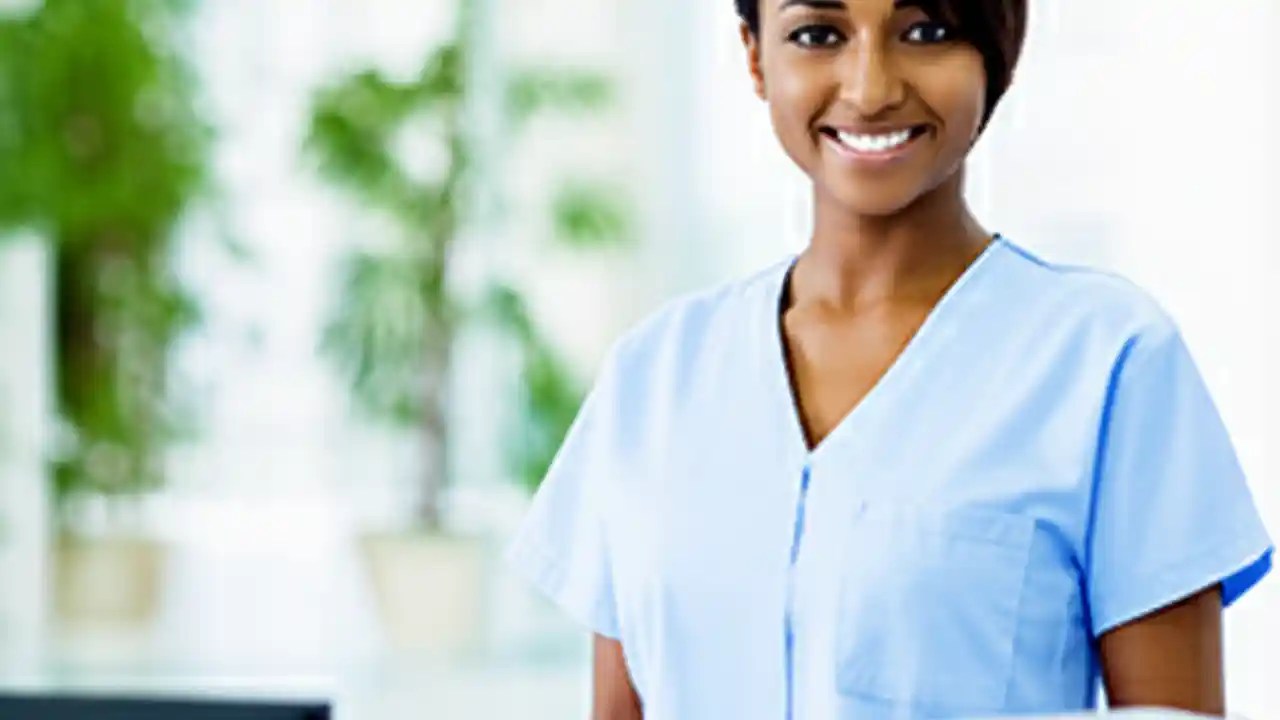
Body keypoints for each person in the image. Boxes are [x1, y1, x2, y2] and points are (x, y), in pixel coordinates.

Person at [505, 0, 1275, 717]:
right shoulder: (654, 374)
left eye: (927, 30)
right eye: (818, 34)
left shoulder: (1109, 359)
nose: (871, 89)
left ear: (999, 49)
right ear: (754, 55)